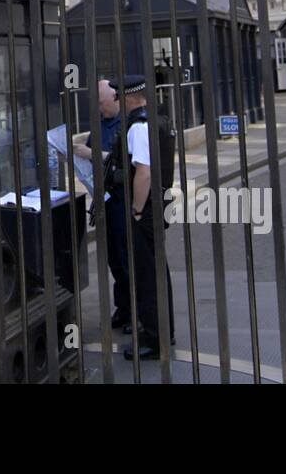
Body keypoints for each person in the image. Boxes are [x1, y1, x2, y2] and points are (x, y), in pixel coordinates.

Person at [103, 74, 176, 359]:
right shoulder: (154, 120)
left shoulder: (138, 126)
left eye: (120, 97)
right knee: (156, 271)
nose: (118, 102)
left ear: (131, 97)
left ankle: (156, 340)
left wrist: (135, 209)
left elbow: (143, 172)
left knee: (148, 275)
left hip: (146, 209)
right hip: (158, 204)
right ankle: (159, 332)